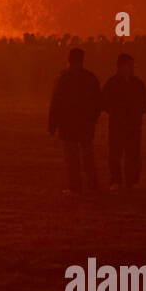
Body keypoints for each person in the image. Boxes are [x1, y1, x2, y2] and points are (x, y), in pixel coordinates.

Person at [48, 47, 102, 194]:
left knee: (72, 157)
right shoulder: (90, 78)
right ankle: (93, 184)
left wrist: (52, 124)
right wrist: (93, 118)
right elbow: (98, 101)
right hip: (86, 123)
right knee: (87, 154)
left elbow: (56, 102)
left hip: (68, 124)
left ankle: (75, 186)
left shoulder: (63, 78)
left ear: (69, 60)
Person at [102, 53, 146, 190]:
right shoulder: (113, 83)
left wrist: (139, 112)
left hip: (133, 124)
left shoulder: (137, 83)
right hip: (117, 123)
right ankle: (116, 180)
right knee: (115, 153)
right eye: (129, 65)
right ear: (121, 66)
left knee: (133, 153)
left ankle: (133, 180)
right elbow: (104, 101)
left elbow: (145, 100)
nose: (132, 68)